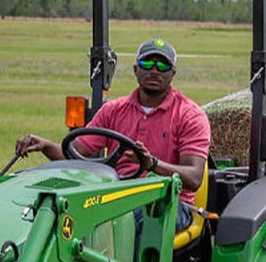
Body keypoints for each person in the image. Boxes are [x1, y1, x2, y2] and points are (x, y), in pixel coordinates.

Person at [15, 37, 210, 232]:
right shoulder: (114, 110)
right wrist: (44, 145)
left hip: (170, 203)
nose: (154, 70)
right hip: (117, 195)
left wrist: (152, 163)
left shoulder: (189, 115)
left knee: (131, 221)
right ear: (136, 69)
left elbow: (194, 178)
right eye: (147, 63)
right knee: (61, 210)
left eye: (162, 66)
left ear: (173, 73)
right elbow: (74, 154)